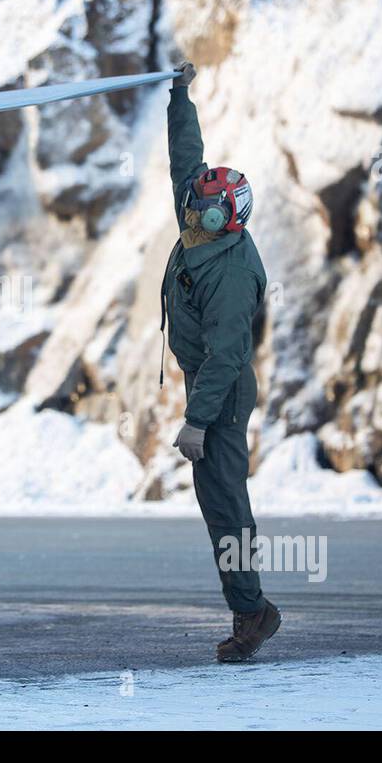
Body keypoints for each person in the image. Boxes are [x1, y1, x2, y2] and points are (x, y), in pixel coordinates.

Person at [162, 61, 278, 662]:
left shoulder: (232, 269)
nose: (190, 213)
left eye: (202, 209)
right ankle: (249, 605)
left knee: (227, 502)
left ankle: (253, 612)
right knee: (218, 502)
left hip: (222, 393)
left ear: (223, 217)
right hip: (206, 383)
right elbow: (188, 158)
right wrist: (180, 96)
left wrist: (199, 421)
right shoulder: (202, 225)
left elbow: (229, 355)